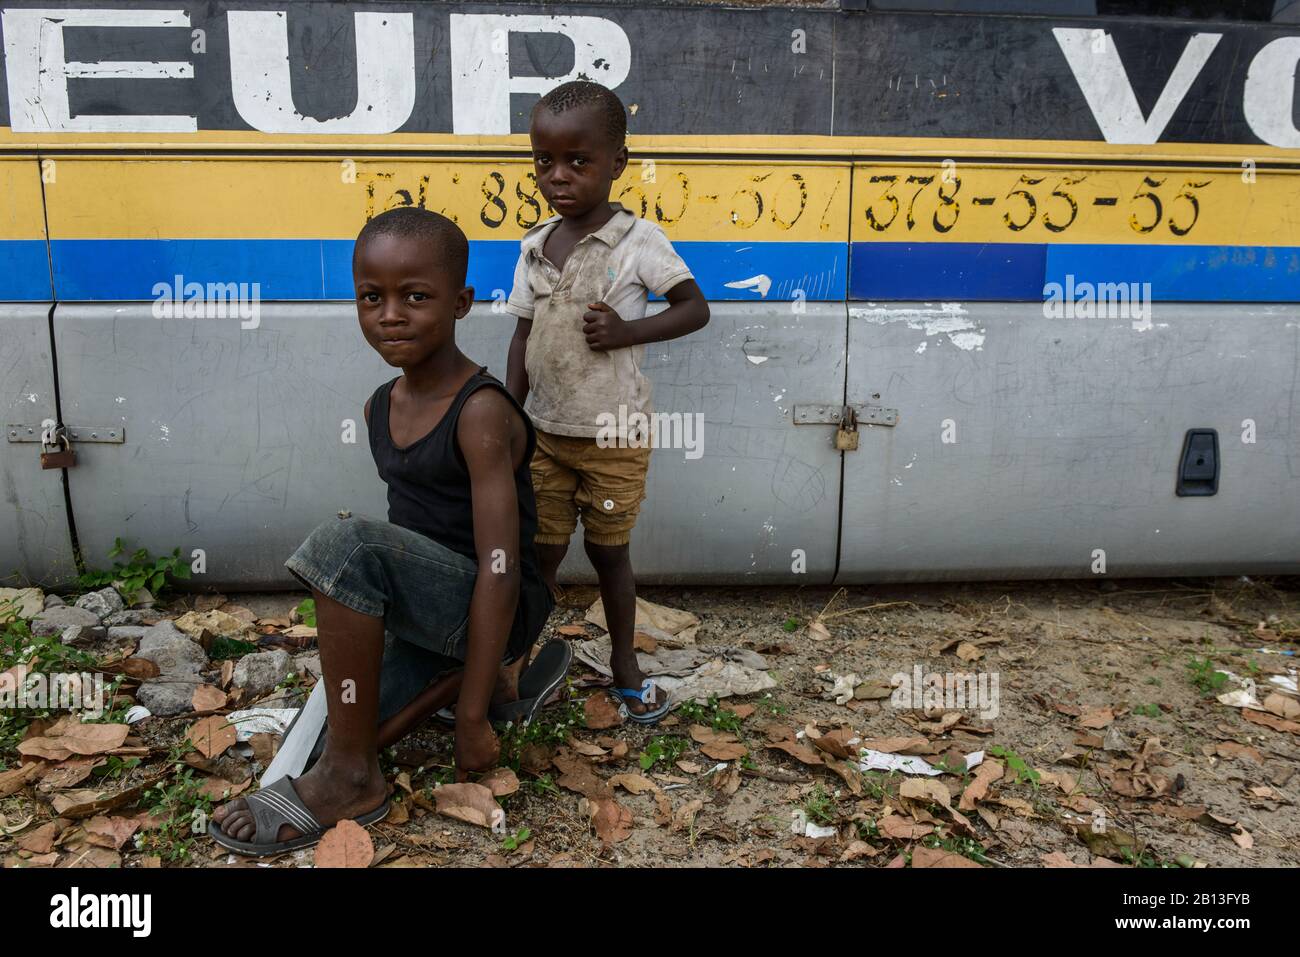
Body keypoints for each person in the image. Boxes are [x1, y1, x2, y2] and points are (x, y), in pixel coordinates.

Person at [209, 207, 555, 855]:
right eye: (372, 297)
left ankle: (362, 770)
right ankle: (378, 737)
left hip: (492, 602)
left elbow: (501, 567)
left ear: (461, 303)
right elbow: (412, 538)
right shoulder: (378, 406)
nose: (390, 314)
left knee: (348, 543)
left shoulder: (479, 412)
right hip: (431, 613)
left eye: (415, 296)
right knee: (308, 746)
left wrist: (474, 720)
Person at [505, 81, 710, 723]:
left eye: (579, 161)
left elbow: (694, 309)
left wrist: (625, 332)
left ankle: (625, 666)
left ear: (617, 163)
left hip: (614, 437)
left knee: (609, 553)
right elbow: (522, 333)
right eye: (544, 161)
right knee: (539, 553)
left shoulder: (637, 241)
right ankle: (514, 664)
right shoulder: (535, 244)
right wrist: (509, 418)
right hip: (543, 433)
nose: (558, 176)